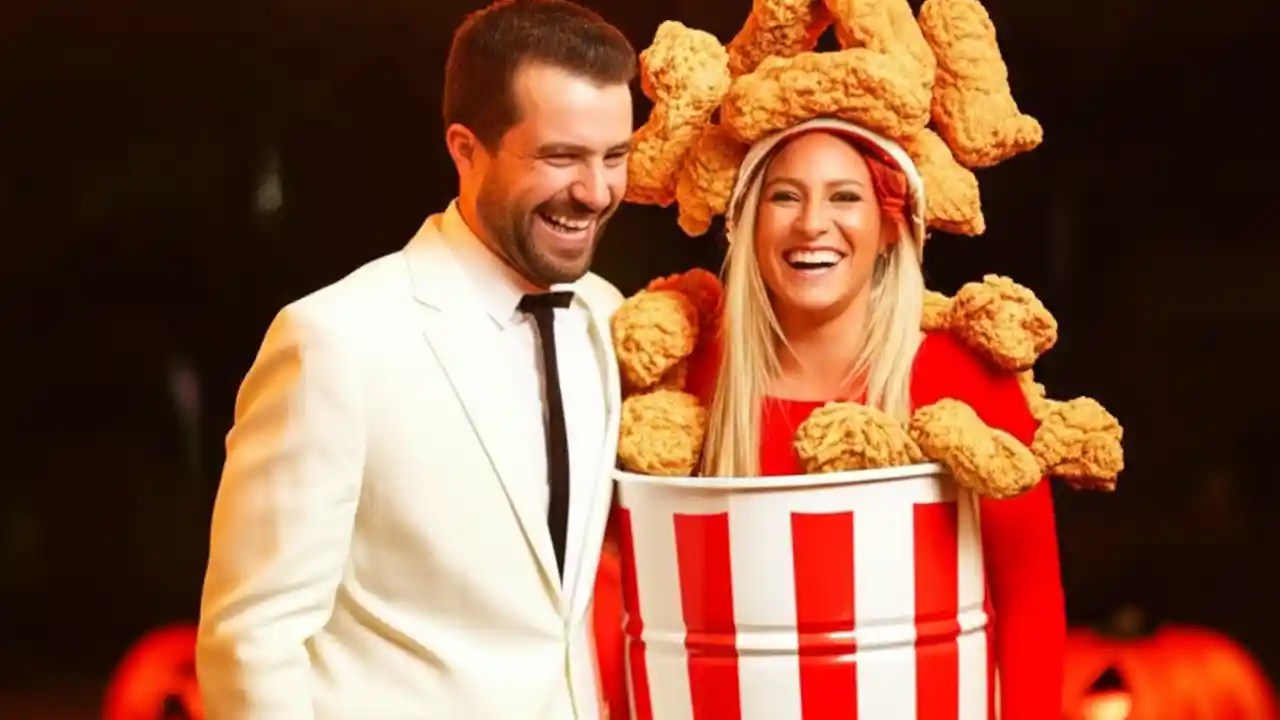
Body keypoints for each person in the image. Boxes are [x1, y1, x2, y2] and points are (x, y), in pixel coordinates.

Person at [194, 1, 636, 717]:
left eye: (614, 156)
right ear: (466, 149)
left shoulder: (606, 315)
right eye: (561, 157)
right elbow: (251, 641)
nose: (596, 191)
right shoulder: (334, 341)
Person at [693, 117, 1066, 718]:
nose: (812, 223)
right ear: (747, 221)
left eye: (845, 196)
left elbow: (1030, 601)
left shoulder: (964, 379)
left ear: (892, 227)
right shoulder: (700, 380)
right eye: (784, 196)